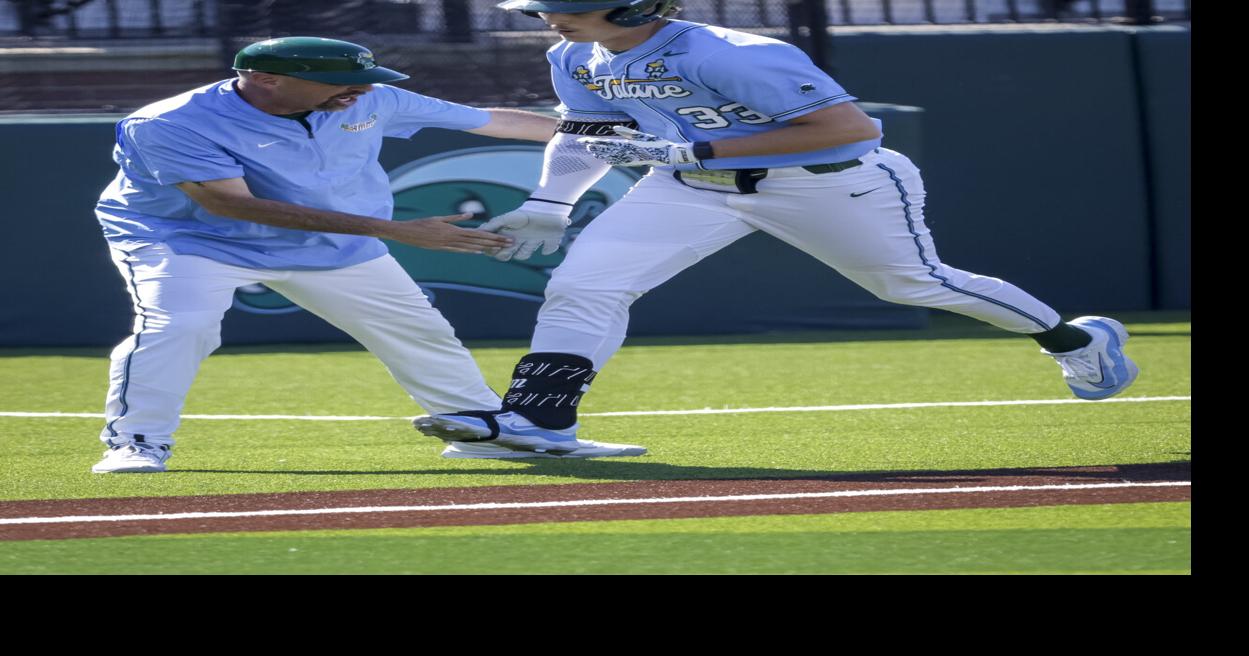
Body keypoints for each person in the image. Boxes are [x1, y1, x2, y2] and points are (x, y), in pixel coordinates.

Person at [413, 0, 1139, 455]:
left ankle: (1076, 340)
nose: (550, 18)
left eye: (568, 8)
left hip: (825, 181)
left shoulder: (729, 53)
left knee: (911, 285)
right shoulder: (574, 53)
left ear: (633, 6)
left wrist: (696, 150)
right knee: (582, 285)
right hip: (686, 187)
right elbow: (587, 131)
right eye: (544, 9)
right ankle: (539, 421)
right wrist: (550, 203)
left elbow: (848, 130)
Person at [91, 36, 647, 473]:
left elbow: (496, 121)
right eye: (338, 81)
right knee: (179, 326)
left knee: (418, 331)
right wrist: (395, 231)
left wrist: (619, 142)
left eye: (363, 79)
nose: (357, 90)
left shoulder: (373, 97)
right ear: (265, 79)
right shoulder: (169, 123)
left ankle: (480, 431)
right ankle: (137, 441)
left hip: (336, 241)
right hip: (191, 241)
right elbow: (230, 205)